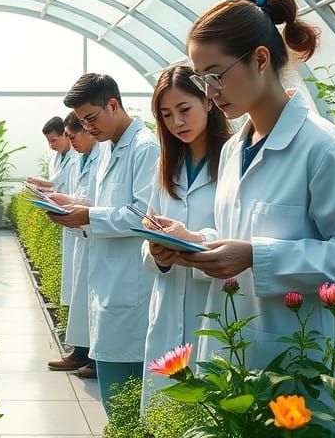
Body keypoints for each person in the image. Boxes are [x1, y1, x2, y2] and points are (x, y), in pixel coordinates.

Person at [157, 0, 335, 386]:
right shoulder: (234, 150)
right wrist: (192, 241)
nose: (210, 94)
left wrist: (254, 257)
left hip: (309, 368)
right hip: (240, 357)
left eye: (215, 77)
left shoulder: (326, 149)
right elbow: (243, 235)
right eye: (201, 80)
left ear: (260, 59)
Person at [46, 73, 160, 414]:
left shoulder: (145, 147)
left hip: (131, 284)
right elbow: (98, 202)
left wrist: (88, 216)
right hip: (107, 279)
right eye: (82, 121)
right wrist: (68, 203)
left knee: (130, 388)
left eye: (91, 119)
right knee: (113, 386)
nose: (88, 128)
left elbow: (143, 215)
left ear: (112, 104)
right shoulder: (109, 148)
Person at [138, 65, 231, 413]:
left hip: (215, 303)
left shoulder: (233, 161)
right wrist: (158, 254)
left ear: (208, 101)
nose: (177, 122)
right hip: (168, 301)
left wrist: (194, 240)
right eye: (166, 115)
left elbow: (244, 235)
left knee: (208, 409)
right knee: (166, 411)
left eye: (184, 109)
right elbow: (148, 232)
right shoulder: (167, 166)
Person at [45, 111, 102, 379]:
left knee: (91, 299)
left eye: (71, 136)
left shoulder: (103, 155)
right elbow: (83, 195)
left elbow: (97, 200)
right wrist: (64, 200)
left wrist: (76, 205)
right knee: (80, 297)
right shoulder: (84, 157)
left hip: (95, 232)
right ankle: (81, 351)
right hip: (82, 232)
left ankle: (93, 356)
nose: (70, 141)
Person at [26, 116, 75, 192]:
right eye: (49, 141)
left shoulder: (77, 157)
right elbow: (54, 186)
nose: (51, 145)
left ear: (65, 134)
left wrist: (45, 184)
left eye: (53, 140)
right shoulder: (54, 160)